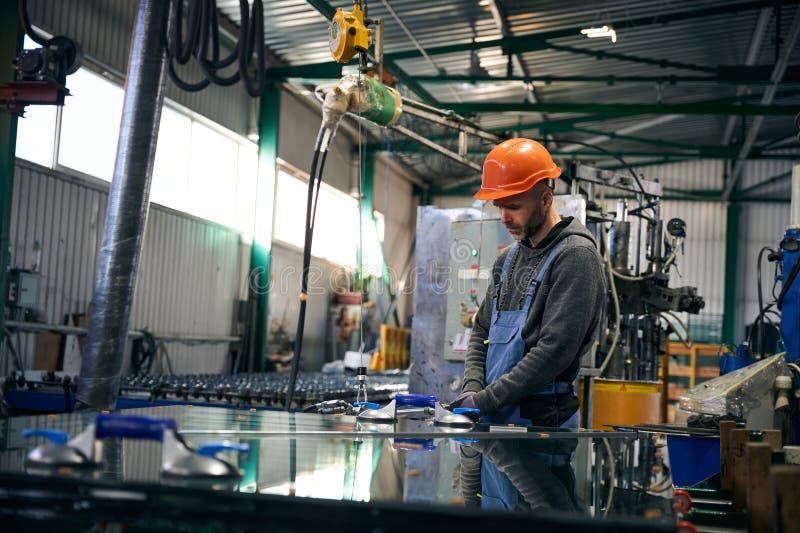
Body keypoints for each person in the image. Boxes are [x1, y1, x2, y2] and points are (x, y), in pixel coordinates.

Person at [450, 138, 605, 428]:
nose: (504, 218)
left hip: (540, 427)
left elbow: (553, 350)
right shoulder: (508, 259)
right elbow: (482, 328)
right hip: (494, 416)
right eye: (499, 207)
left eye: (514, 207)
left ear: (546, 200)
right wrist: (472, 387)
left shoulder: (575, 256)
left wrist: (483, 401)